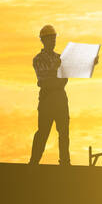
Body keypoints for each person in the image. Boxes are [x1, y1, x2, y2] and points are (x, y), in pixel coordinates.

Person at [29, 24, 71, 166]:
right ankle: (33, 162)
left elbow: (66, 76)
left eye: (54, 39)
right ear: (43, 40)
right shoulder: (38, 59)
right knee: (43, 132)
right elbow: (45, 78)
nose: (53, 42)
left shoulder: (60, 58)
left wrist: (90, 63)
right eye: (50, 39)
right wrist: (58, 73)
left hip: (60, 98)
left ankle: (65, 162)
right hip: (47, 98)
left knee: (64, 132)